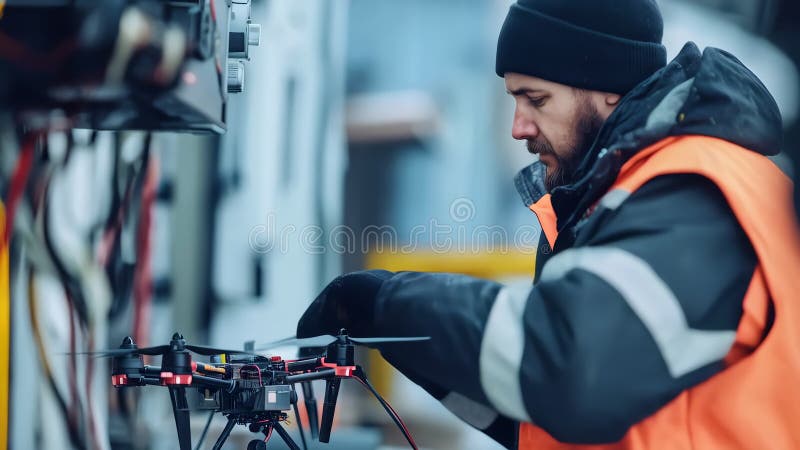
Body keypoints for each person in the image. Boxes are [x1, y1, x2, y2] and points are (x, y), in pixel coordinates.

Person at [297, 0, 800, 448]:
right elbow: (540, 418)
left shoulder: (697, 189)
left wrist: (391, 307)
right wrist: (410, 343)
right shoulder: (622, 190)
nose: (519, 126)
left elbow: (572, 371)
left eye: (536, 99)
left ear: (607, 89)